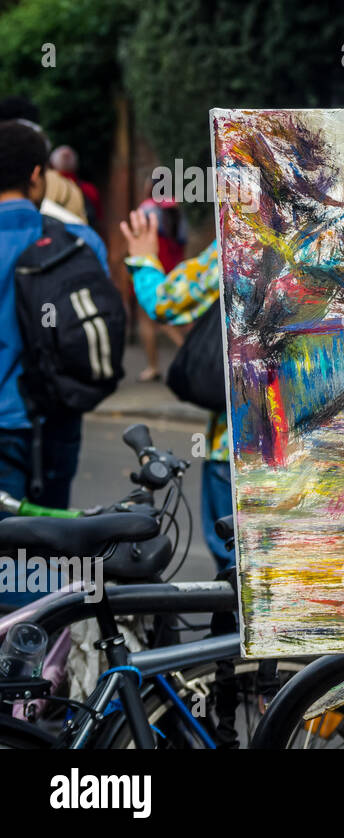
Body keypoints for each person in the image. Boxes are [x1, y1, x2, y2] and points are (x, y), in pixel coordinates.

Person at [0, 121, 110, 606]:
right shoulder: (81, 241)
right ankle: (39, 671)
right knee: (43, 555)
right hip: (54, 418)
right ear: (36, 175)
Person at [119, 209, 233, 572]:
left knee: (236, 563)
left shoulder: (245, 239)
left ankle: (238, 627)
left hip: (238, 445)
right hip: (327, 452)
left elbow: (167, 302)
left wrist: (143, 259)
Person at [133, 196, 187, 382]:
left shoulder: (147, 209)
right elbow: (182, 245)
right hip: (173, 270)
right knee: (171, 317)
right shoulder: (177, 211)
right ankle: (187, 350)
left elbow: (137, 240)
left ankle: (154, 365)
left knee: (150, 320)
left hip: (152, 271)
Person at [51, 145, 102, 230]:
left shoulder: (48, 189)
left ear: (53, 164)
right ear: (76, 164)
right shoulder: (89, 189)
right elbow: (98, 220)